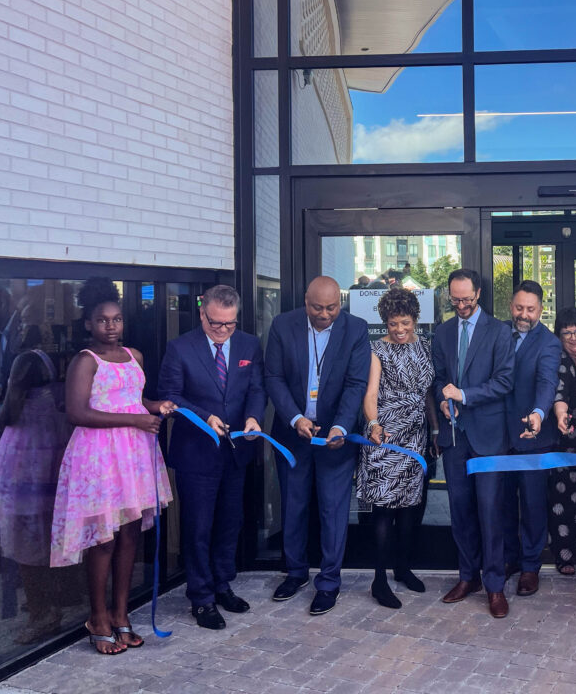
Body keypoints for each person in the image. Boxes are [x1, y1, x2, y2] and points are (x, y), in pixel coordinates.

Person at [50, 277, 175, 654]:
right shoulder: (85, 361)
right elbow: (76, 412)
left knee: (130, 537)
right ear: (88, 323)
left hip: (134, 456)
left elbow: (134, 400)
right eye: (102, 320)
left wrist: (155, 407)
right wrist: (136, 421)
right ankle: (98, 616)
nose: (111, 326)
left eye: (117, 319)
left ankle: (121, 614)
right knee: (103, 540)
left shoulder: (135, 356)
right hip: (99, 458)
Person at [157, 285, 265, 630]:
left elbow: (256, 389)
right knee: (198, 528)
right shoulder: (179, 348)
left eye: (229, 325)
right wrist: (204, 416)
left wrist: (254, 417)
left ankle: (222, 585)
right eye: (216, 323)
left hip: (236, 451)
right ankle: (201, 598)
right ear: (202, 313)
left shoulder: (249, 344)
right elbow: (170, 398)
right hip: (197, 455)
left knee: (229, 523)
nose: (222, 330)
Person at [264, 276, 370, 616]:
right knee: (293, 506)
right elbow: (274, 378)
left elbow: (356, 383)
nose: (325, 315)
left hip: (335, 438)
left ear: (340, 302)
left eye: (332, 307)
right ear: (305, 301)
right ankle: (295, 572)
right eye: (317, 308)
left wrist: (341, 425)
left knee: (333, 510)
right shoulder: (283, 325)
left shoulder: (356, 329)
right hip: (293, 434)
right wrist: (295, 418)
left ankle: (328, 581)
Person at [431, 268, 515, 619]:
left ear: (478, 294)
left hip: (489, 437)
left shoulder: (499, 332)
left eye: (467, 299)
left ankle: (495, 585)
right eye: (455, 299)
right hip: (454, 437)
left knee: (491, 513)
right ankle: (468, 577)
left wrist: (464, 395)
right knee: (460, 511)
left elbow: (504, 382)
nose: (461, 305)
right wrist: (441, 399)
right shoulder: (443, 332)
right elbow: (437, 379)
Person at [0, 349, 71, 644]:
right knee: (51, 545)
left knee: (26, 551)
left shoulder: (13, 405)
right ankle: (49, 601)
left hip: (19, 489)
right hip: (52, 483)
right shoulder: (59, 399)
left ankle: (41, 611)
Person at [357, 287, 436, 609]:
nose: (400, 330)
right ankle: (379, 579)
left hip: (416, 437)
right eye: (393, 324)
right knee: (383, 510)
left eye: (405, 323)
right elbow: (370, 393)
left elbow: (429, 394)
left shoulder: (427, 347)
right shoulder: (376, 349)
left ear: (415, 319)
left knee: (410, 508)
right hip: (385, 435)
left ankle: (402, 567)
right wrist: (374, 424)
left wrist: (434, 431)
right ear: (384, 323)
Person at [502, 280, 561, 597]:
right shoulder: (498, 333)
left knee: (533, 506)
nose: (524, 314)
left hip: (533, 437)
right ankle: (510, 558)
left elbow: (547, 382)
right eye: (519, 307)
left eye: (531, 309)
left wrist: (539, 412)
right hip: (498, 437)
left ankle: (529, 567)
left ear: (541, 309)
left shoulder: (549, 343)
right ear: (511, 306)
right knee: (503, 503)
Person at [549, 307, 576, 575]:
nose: (574, 337)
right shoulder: (558, 359)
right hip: (564, 437)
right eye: (567, 332)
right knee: (562, 498)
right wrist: (562, 413)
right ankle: (564, 554)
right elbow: (558, 392)